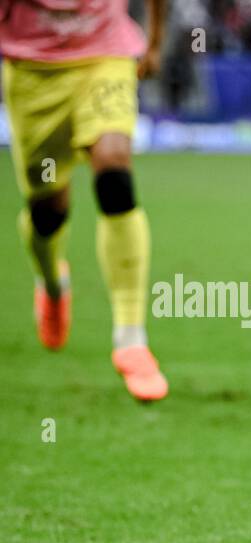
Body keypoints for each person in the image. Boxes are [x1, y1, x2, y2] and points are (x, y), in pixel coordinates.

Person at [1, 0, 169, 400]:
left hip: (104, 57)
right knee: (47, 211)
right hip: (31, 71)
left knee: (114, 173)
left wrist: (155, 42)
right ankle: (53, 283)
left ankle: (131, 338)